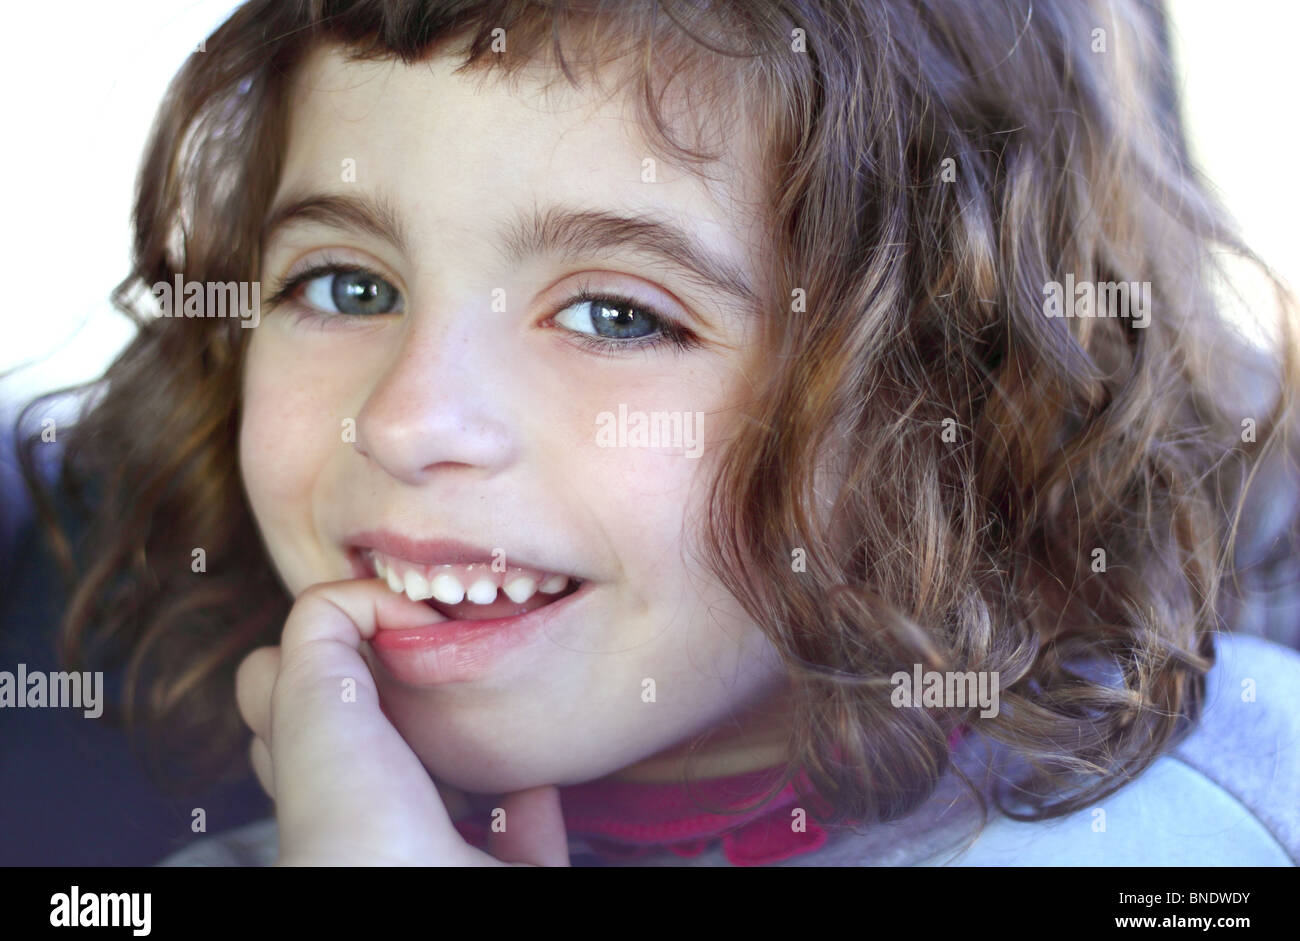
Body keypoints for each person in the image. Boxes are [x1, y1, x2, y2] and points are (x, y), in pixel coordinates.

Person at [11, 0, 1300, 866]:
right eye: (347, 287)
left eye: (620, 315)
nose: (409, 422)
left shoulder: (1208, 827)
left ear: (949, 398)